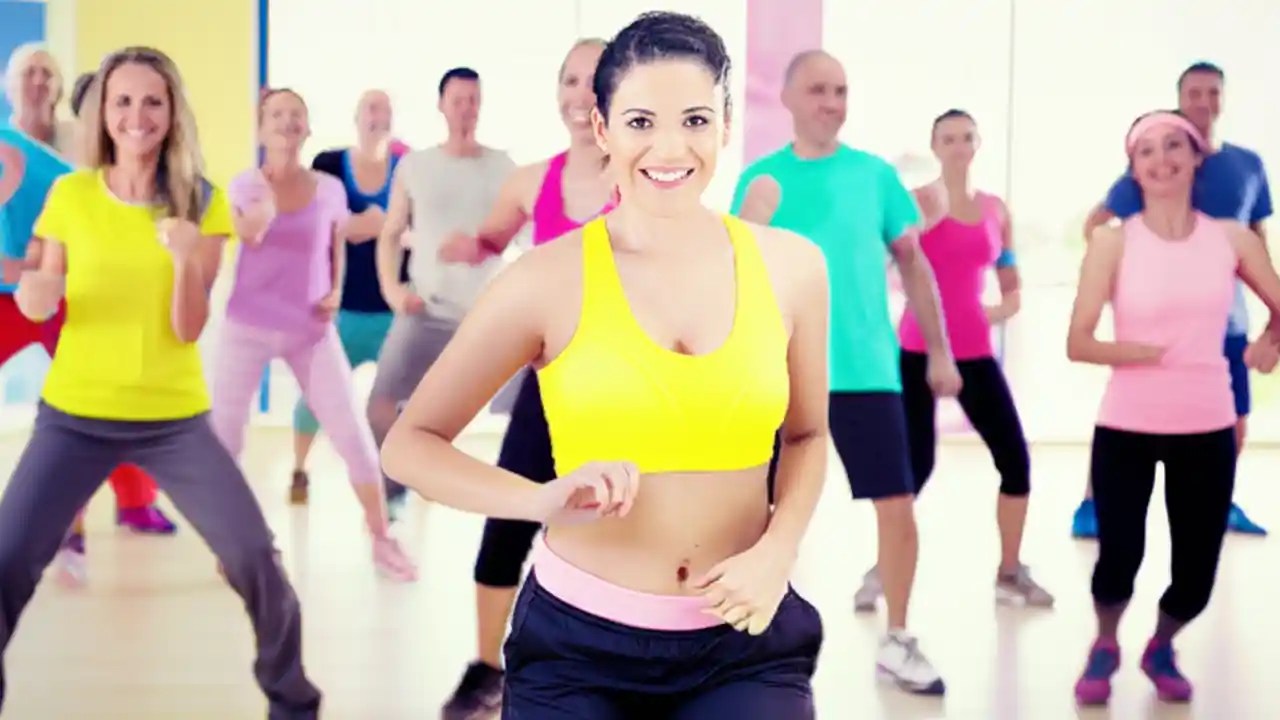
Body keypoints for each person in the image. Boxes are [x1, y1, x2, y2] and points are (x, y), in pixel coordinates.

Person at [382, 11, 828, 717]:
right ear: (602, 127)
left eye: (695, 120)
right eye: (642, 121)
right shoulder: (546, 280)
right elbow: (409, 443)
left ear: (727, 123)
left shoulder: (793, 268)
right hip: (576, 654)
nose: (670, 146)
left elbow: (807, 436)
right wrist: (533, 501)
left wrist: (780, 550)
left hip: (745, 646)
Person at [0, 46, 322, 718]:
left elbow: (187, 327)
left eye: (152, 101)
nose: (136, 116)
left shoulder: (200, 201)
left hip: (172, 423)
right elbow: (43, 296)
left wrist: (181, 262)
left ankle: (293, 701)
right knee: (5, 563)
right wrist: (35, 291)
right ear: (103, 113)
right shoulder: (71, 195)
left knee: (254, 560)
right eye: (122, 101)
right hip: (73, 415)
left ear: (172, 111)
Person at [732, 49, 958, 695]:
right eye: (819, 90)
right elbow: (736, 278)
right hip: (778, 375)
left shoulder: (875, 175)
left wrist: (939, 352)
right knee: (759, 513)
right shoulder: (761, 181)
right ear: (789, 99)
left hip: (865, 369)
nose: (832, 101)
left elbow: (913, 264)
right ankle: (751, 635)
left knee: (897, 504)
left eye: (841, 90)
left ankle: (899, 638)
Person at [1069, 110, 1280, 707]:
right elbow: (1077, 341)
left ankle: (1161, 644)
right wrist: (1136, 351)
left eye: (1173, 148)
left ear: (1195, 159)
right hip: (1127, 424)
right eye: (1146, 152)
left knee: (1196, 574)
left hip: (1207, 424)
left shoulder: (1230, 239)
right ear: (1133, 168)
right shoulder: (1112, 241)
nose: (1160, 160)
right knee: (1118, 558)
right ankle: (1105, 644)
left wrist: (1268, 345)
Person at [435, 38, 618, 718]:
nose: (582, 93)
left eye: (596, 79)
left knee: (616, 537)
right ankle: (488, 669)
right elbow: (494, 235)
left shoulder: (645, 182)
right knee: (506, 529)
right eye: (571, 79)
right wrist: (471, 247)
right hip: (550, 388)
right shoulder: (530, 182)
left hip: (629, 393)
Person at [214, 88, 416, 581]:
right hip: (248, 327)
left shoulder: (328, 187)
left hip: (310, 328)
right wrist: (252, 220)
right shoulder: (245, 186)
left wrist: (335, 290)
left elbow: (334, 241)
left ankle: (381, 539)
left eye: (295, 115)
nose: (287, 122)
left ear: (306, 129)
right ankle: (234, 548)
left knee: (351, 433)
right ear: (262, 129)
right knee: (226, 438)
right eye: (276, 115)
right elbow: (244, 229)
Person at [1072, 61, 1271, 539]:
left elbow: (1257, 234)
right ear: (1180, 98)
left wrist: (1270, 324)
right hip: (1160, 311)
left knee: (1234, 415)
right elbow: (1095, 225)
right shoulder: (1157, 160)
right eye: (1195, 93)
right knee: (1129, 413)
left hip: (1223, 311)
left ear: (1223, 98)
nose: (1204, 102)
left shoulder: (1249, 165)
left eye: (1213, 93)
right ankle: (1093, 503)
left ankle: (1219, 501)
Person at [900, 109, 1052, 607]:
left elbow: (1010, 282)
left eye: (967, 137)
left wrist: (1000, 308)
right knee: (915, 468)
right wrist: (925, 222)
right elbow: (895, 263)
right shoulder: (918, 202)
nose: (959, 146)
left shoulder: (995, 210)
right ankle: (885, 566)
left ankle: (1010, 572)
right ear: (935, 145)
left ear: (977, 144)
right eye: (949, 138)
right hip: (918, 350)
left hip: (976, 353)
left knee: (1015, 461)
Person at [370, 67, 514, 515]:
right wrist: (393, 291)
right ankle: (395, 487)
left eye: (474, 99)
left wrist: (482, 248)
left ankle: (515, 503)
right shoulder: (416, 166)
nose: (466, 108)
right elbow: (391, 232)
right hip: (426, 309)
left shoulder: (502, 166)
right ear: (441, 104)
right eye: (458, 100)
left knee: (518, 411)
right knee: (380, 405)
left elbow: (518, 232)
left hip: (483, 317)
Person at [289, 89, 411, 504]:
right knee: (315, 397)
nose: (379, 117)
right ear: (357, 117)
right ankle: (298, 471)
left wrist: (384, 229)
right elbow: (316, 224)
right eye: (372, 109)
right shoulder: (328, 165)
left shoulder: (406, 169)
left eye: (386, 110)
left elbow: (417, 232)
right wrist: (372, 224)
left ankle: (397, 486)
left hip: (394, 311)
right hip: (339, 310)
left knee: (398, 406)